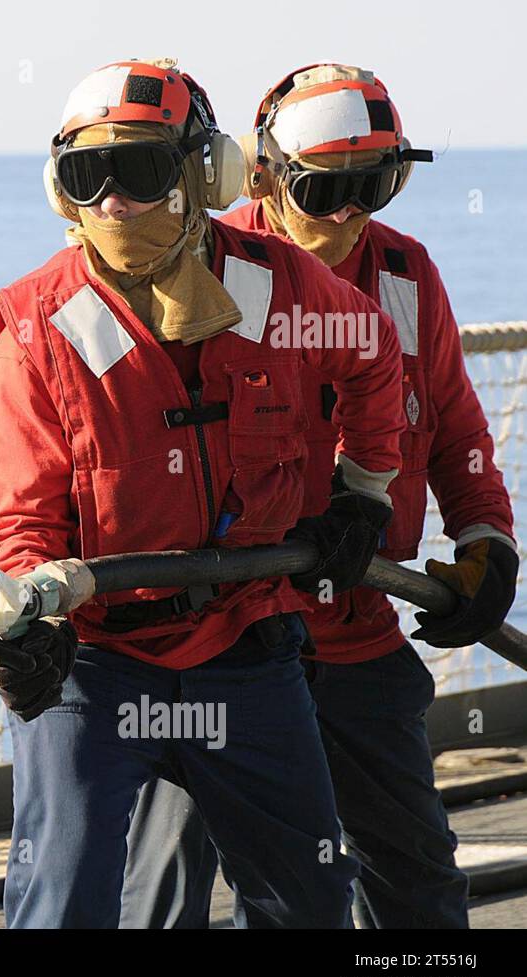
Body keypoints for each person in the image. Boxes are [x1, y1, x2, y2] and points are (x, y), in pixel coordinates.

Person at [0, 60, 407, 928]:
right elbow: (24, 521)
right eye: (83, 177)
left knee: (310, 898)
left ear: (200, 174)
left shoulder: (283, 284)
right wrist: (26, 626)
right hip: (95, 660)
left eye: (138, 172)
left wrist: (362, 492)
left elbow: (371, 356)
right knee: (61, 901)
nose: (112, 202)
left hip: (247, 640)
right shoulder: (34, 327)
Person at [122, 65, 516, 930]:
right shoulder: (199, 278)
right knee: (162, 890)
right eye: (325, 188)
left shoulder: (408, 278)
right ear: (261, 173)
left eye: (372, 187)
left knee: (414, 880)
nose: (347, 214)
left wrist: (489, 540)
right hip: (218, 637)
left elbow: (453, 425)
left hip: (357, 628)